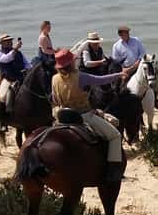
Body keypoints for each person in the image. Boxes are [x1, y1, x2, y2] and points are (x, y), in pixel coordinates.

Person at [50, 49, 131, 182]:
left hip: (62, 117)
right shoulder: (80, 76)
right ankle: (113, 171)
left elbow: (54, 99)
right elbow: (101, 80)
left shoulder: (54, 79)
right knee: (115, 136)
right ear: (71, 63)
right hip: (83, 115)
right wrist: (120, 74)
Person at [110, 24, 158, 109]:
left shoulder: (136, 40)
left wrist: (137, 63)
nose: (127, 34)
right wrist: (123, 69)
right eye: (125, 32)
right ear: (120, 34)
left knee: (151, 79)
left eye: (128, 32)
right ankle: (119, 101)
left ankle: (155, 99)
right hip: (125, 68)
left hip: (138, 66)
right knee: (119, 84)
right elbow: (116, 61)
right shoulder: (116, 46)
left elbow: (142, 53)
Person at [0, 33, 31, 114]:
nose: (9, 42)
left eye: (10, 41)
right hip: (8, 79)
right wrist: (15, 49)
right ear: (2, 43)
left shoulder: (18, 52)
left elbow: (26, 64)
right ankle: (2, 121)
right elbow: (7, 59)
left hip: (21, 77)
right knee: (3, 97)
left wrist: (29, 70)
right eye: (6, 41)